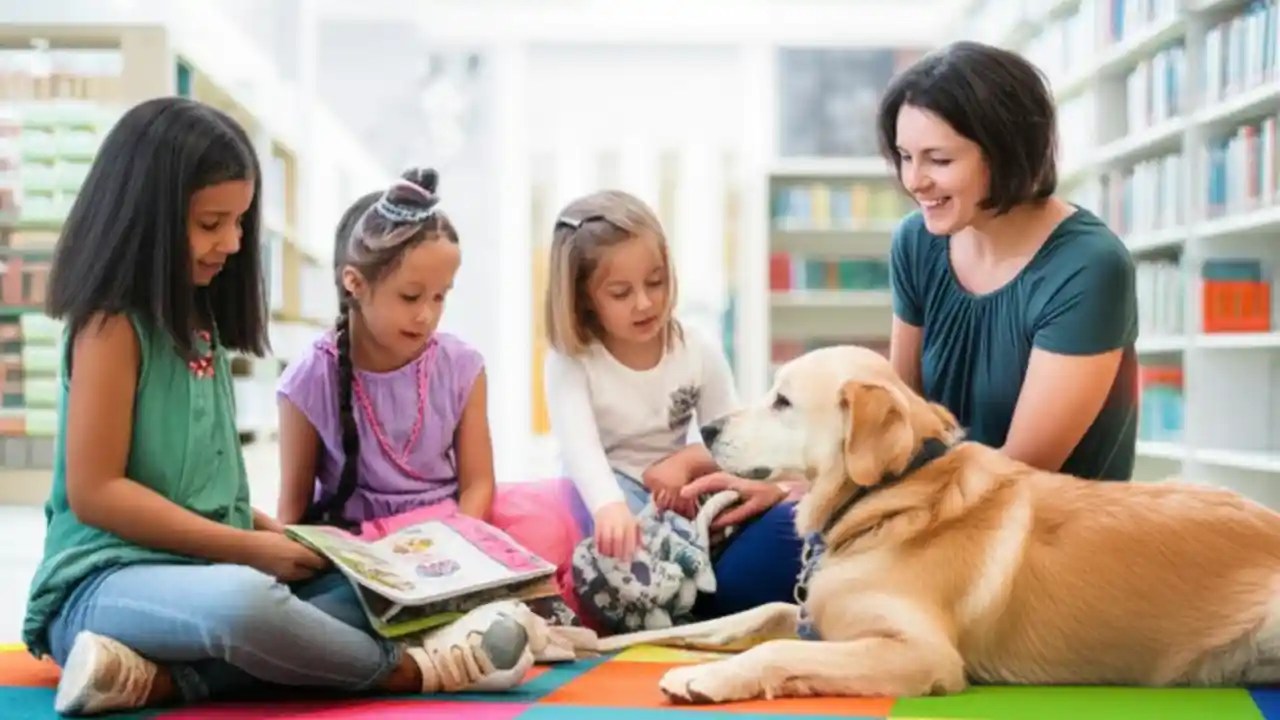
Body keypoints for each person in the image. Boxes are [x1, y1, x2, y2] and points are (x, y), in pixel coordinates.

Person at [22, 98, 538, 718]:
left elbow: (217, 505)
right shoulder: (111, 326)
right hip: (103, 584)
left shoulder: (199, 324)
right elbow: (98, 493)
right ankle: (414, 671)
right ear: (149, 219)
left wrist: (305, 544)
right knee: (247, 606)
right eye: (212, 223)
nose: (233, 243)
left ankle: (166, 680)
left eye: (239, 222)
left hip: (201, 573)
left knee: (364, 592)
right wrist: (252, 549)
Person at [879, 40, 1139, 480]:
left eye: (938, 160)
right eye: (905, 157)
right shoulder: (916, 242)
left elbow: (1021, 471)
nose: (914, 181)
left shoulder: (1089, 266)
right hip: (933, 514)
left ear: (1005, 152)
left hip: (1048, 528)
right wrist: (806, 489)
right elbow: (900, 420)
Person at [541, 189, 804, 619]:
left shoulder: (695, 348)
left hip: (679, 488)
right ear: (584, 297)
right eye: (621, 292)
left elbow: (729, 443)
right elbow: (581, 451)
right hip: (610, 485)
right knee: (623, 534)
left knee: (733, 515)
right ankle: (665, 598)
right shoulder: (572, 362)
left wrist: (684, 464)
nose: (645, 302)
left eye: (656, 281)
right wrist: (609, 508)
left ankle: (680, 585)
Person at [275, 168, 496, 529]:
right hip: (354, 543)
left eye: (440, 296)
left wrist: (461, 544)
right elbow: (292, 515)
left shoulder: (463, 368)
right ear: (355, 283)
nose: (426, 315)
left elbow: (479, 485)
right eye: (410, 296)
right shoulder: (308, 380)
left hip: (451, 537)